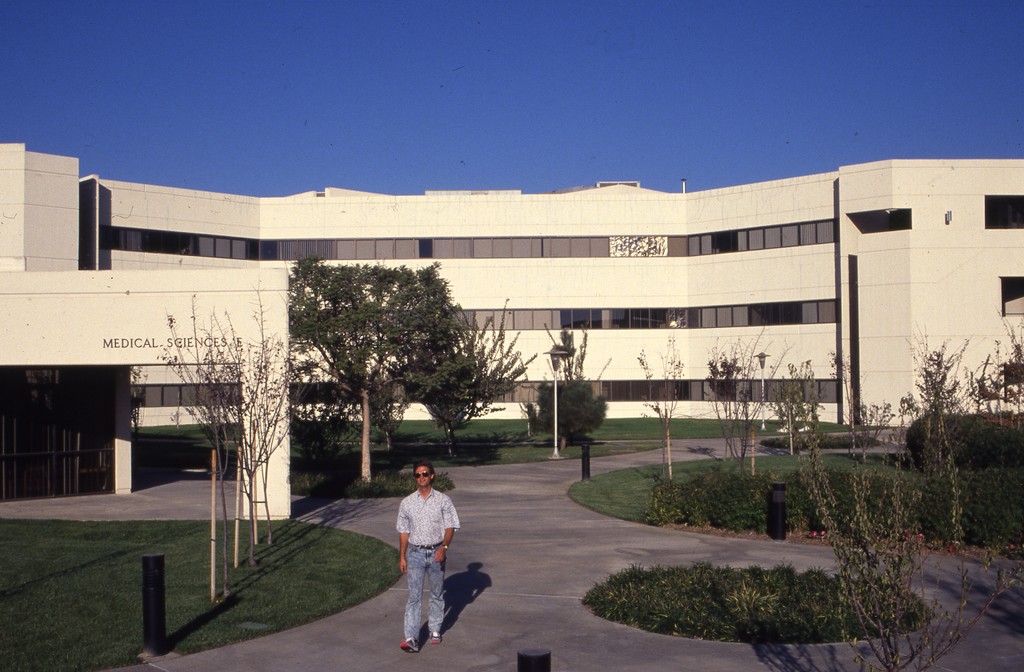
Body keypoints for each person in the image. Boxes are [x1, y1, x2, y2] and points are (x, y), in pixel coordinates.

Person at [396, 460, 460, 653]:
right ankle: (412, 638)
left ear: (432, 476)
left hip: (436, 553)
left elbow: (451, 526)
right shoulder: (407, 503)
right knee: (414, 596)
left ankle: (434, 630)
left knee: (436, 594)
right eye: (417, 475)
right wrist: (402, 556)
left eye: (425, 474)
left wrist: (444, 547)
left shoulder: (443, 500)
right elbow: (404, 532)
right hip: (415, 553)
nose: (421, 477)